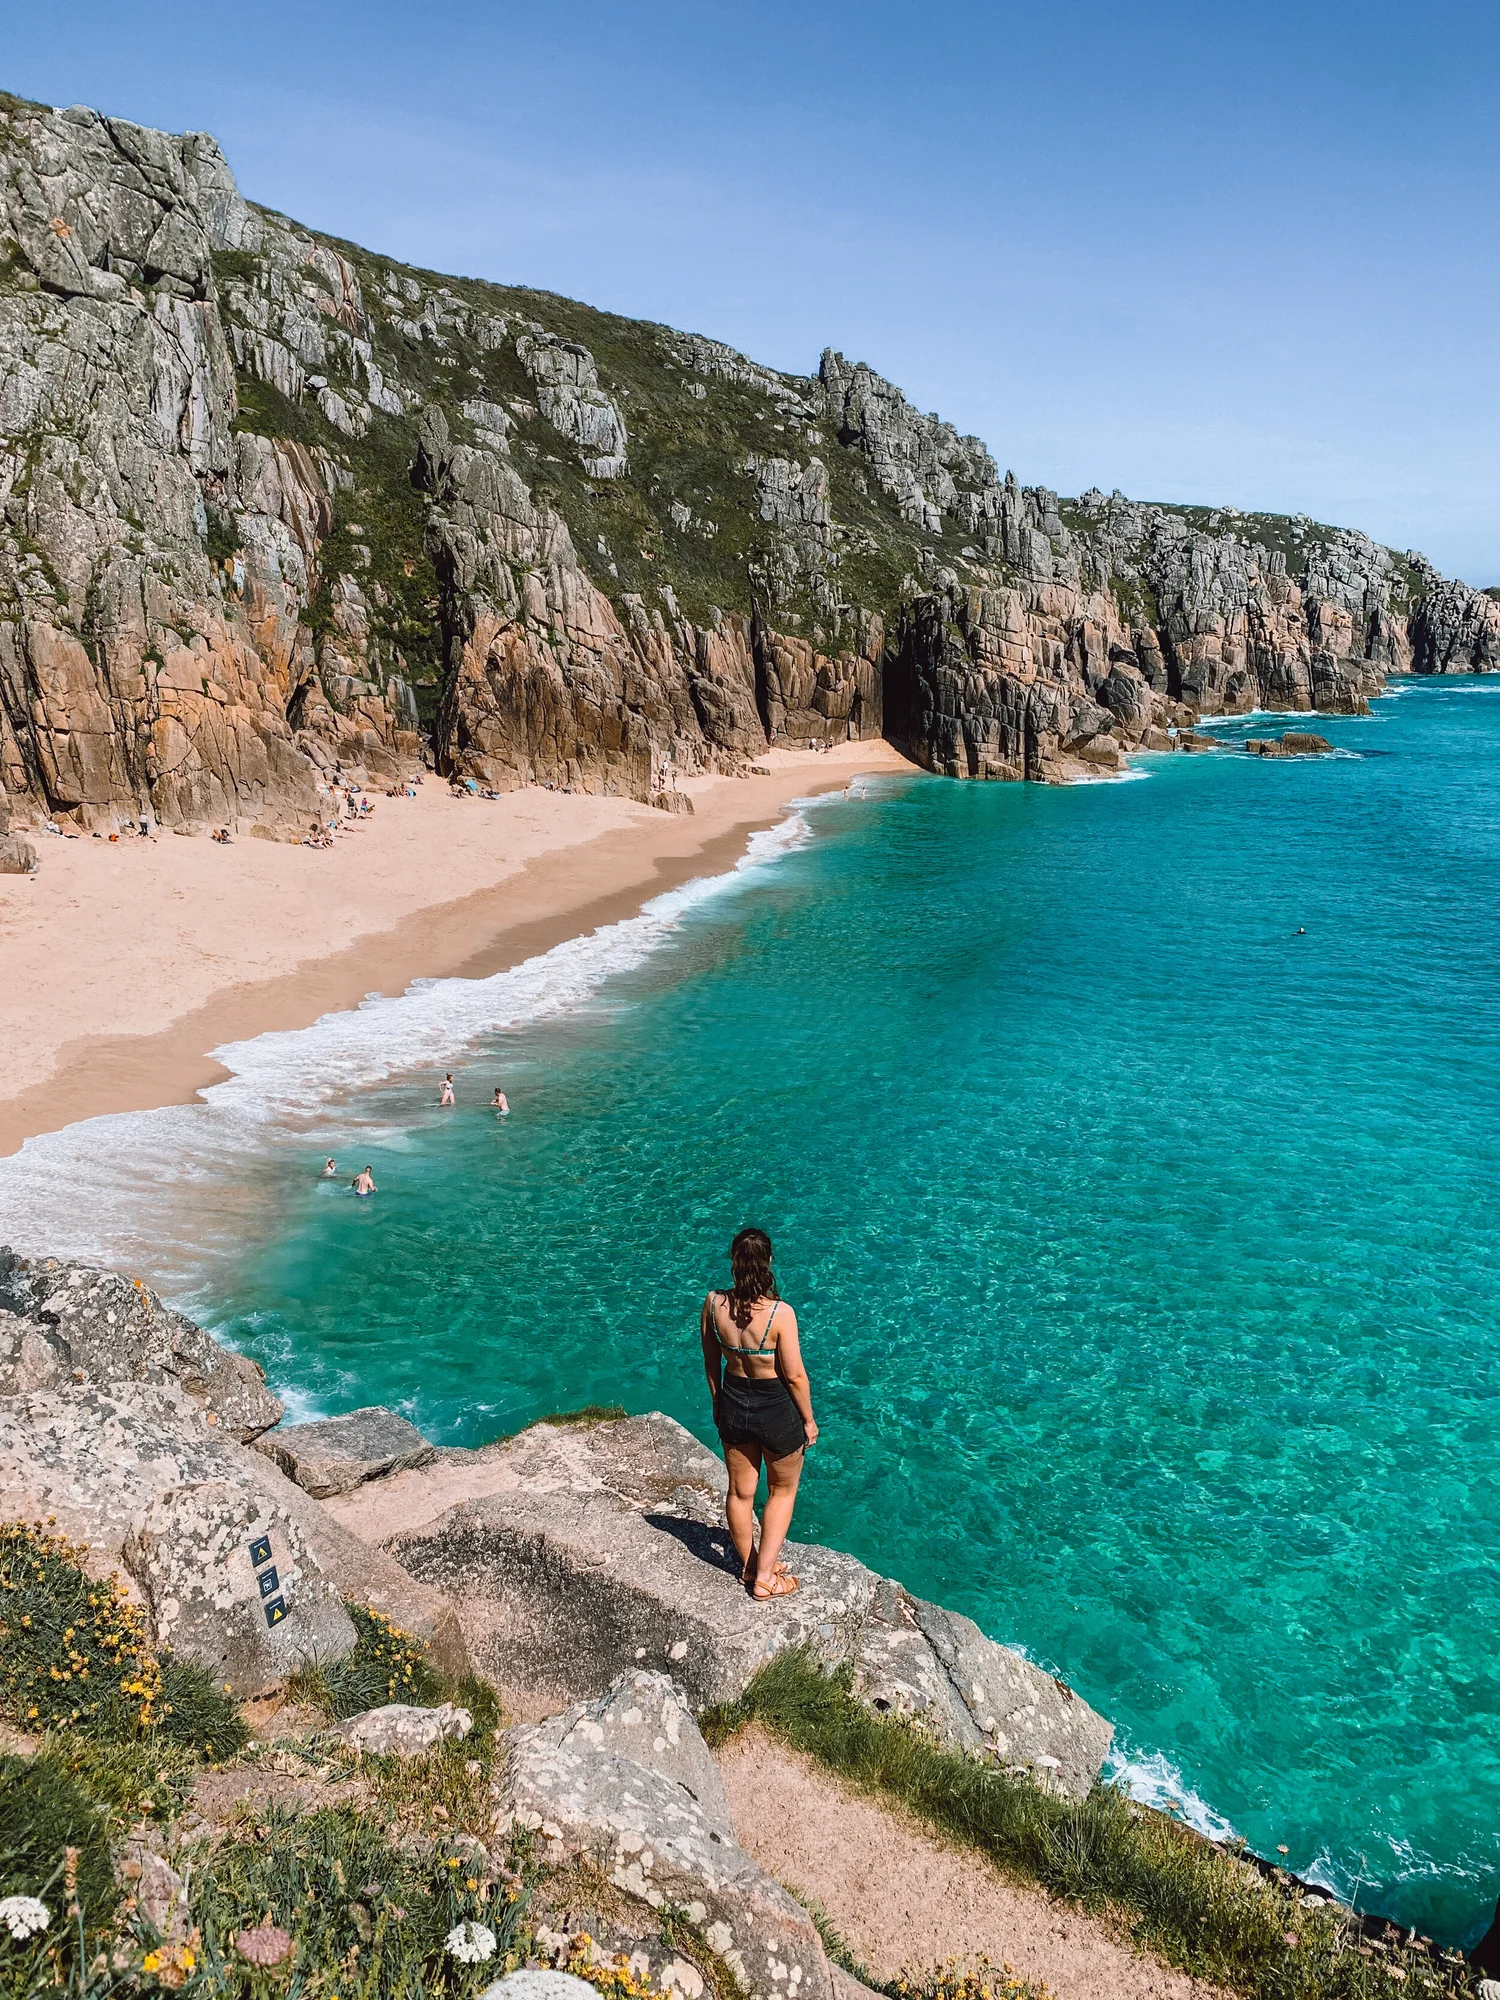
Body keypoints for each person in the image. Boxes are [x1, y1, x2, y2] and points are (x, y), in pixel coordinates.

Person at [700, 1227, 817, 1601]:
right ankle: (765, 1578)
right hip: (776, 1410)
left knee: (740, 1492)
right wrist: (810, 1421)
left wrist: (719, 1404)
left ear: (733, 1261)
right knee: (782, 1490)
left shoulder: (713, 1303)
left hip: (734, 1401)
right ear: (768, 1262)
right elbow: (795, 1376)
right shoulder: (780, 1314)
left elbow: (710, 1361)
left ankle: (751, 1565)